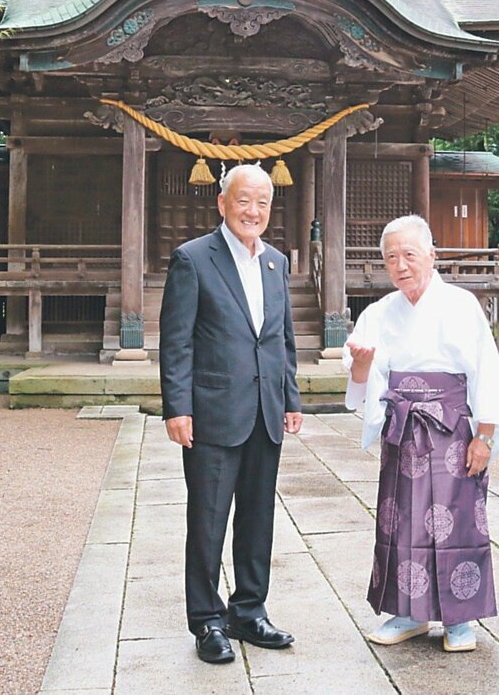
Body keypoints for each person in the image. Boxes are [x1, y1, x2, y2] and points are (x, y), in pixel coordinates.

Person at [343, 215, 499, 654]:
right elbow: (362, 378)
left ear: (432, 256)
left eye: (410, 254)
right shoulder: (379, 312)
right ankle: (408, 612)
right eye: (391, 257)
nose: (401, 265)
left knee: (458, 522)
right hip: (403, 428)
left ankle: (461, 618)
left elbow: (487, 374)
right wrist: (360, 362)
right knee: (403, 522)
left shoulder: (461, 305)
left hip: (454, 427)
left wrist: (485, 437)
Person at [158, 163, 303, 664]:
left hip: (265, 410)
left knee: (258, 517)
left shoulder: (276, 263)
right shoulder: (194, 259)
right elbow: (176, 341)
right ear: (223, 203)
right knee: (208, 519)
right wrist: (177, 407)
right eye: (244, 201)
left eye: (263, 202)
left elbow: (281, 338)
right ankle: (207, 621)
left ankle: (249, 610)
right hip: (214, 410)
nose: (254, 211)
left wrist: (291, 397)